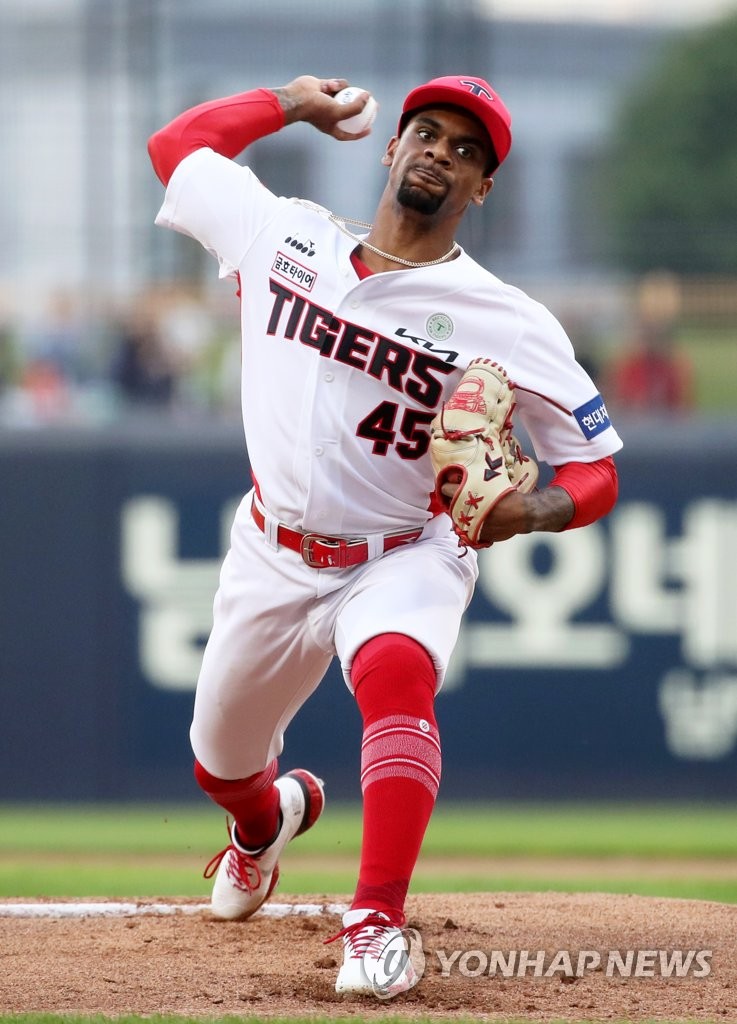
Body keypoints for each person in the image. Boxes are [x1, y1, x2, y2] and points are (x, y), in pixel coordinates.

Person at [148, 74, 622, 998]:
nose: (442, 153)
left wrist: (536, 510)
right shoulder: (283, 234)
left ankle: (374, 924)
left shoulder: (507, 319)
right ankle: (266, 823)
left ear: (481, 188)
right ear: (390, 148)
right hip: (272, 551)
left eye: (466, 151)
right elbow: (176, 150)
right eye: (428, 133)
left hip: (407, 548)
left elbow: (594, 465)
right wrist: (291, 103)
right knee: (220, 766)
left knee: (399, 670)